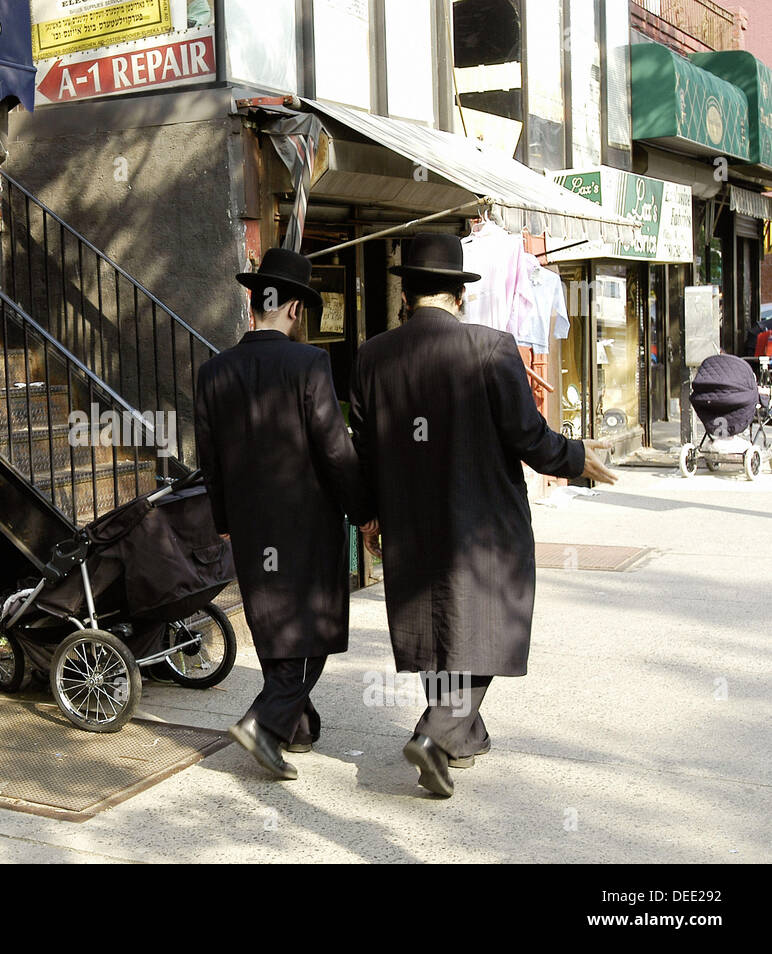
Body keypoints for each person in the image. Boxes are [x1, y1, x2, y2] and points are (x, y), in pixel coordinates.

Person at [349, 233, 616, 798]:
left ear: (407, 296)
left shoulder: (372, 356)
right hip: (485, 519)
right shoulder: (492, 347)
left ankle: (462, 737)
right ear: (460, 295)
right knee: (495, 619)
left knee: (437, 625)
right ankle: (436, 732)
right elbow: (528, 436)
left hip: (409, 521)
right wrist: (577, 458)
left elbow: (364, 449)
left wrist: (369, 516)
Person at [195, 248, 376, 780]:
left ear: (256, 304)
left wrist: (224, 518)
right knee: (316, 626)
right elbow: (335, 449)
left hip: (251, 524)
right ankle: (264, 722)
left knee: (274, 623)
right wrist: (364, 511)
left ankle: (296, 724)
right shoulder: (309, 363)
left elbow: (210, 460)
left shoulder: (214, 371)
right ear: (295, 309)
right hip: (309, 522)